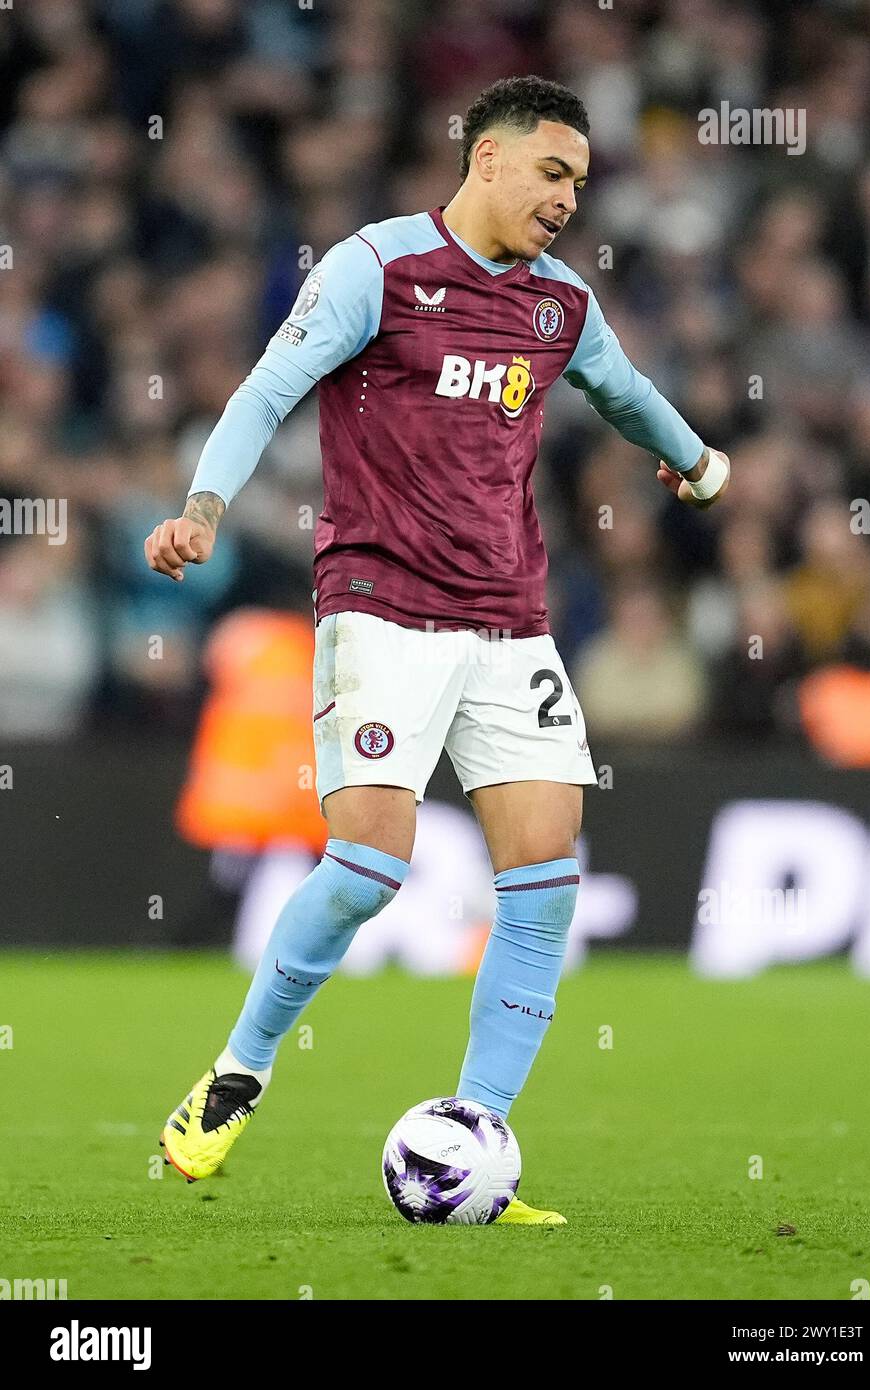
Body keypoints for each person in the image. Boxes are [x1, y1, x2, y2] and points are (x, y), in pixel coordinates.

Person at [145, 75, 729, 1224]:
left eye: (580, 183)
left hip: (510, 617)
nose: (568, 201)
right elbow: (268, 390)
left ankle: (477, 1136)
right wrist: (205, 508)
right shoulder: (378, 269)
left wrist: (698, 462)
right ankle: (237, 1073)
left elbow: (624, 391)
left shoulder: (560, 304)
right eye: (553, 174)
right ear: (489, 160)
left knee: (546, 881)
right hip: (380, 602)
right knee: (369, 865)